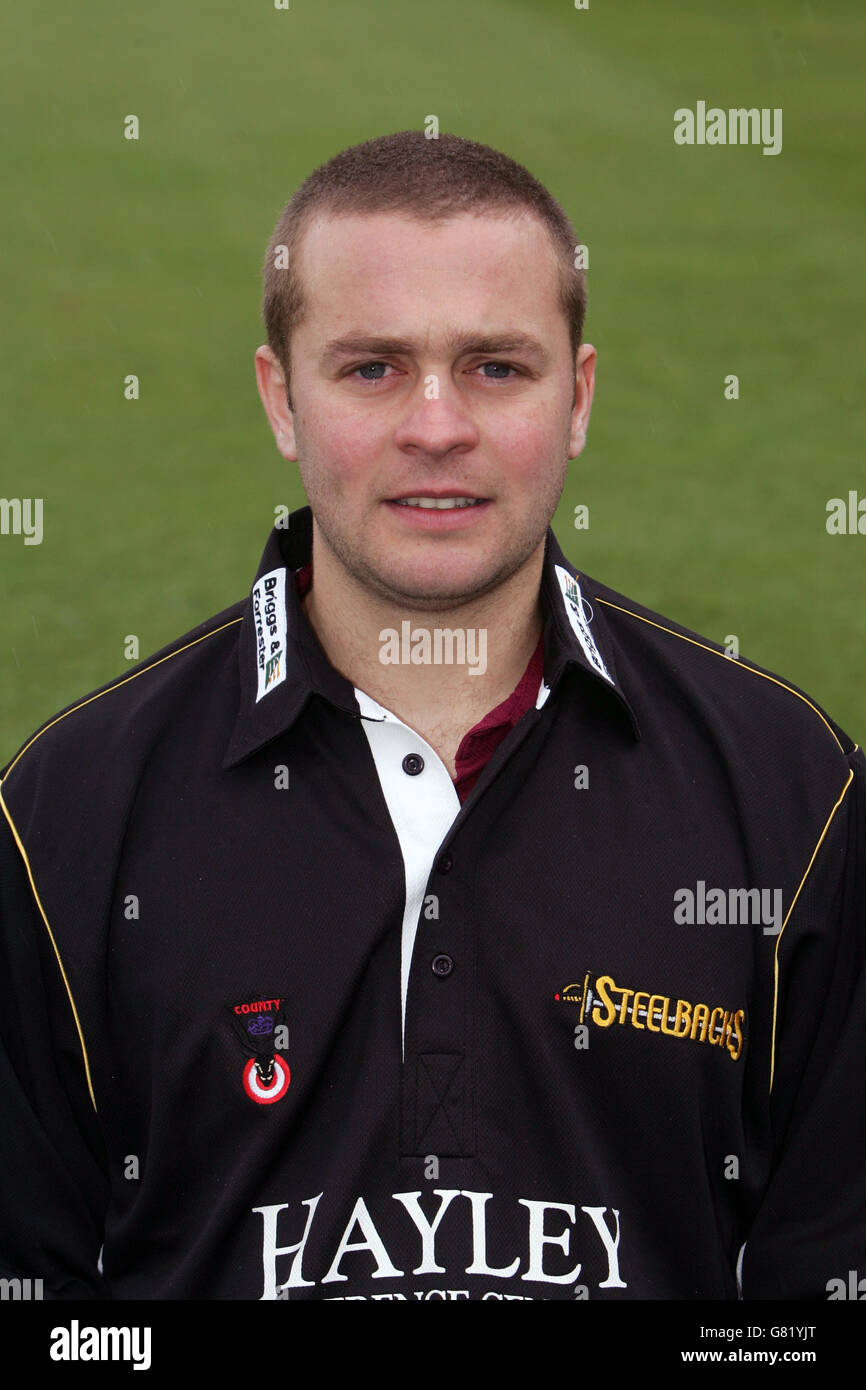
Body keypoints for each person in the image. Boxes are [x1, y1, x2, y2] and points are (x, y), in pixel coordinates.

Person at [0, 130, 863, 1301]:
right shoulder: (68, 810)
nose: (436, 425)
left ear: (577, 397)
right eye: (372, 369)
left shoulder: (790, 791)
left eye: (495, 367)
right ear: (281, 399)